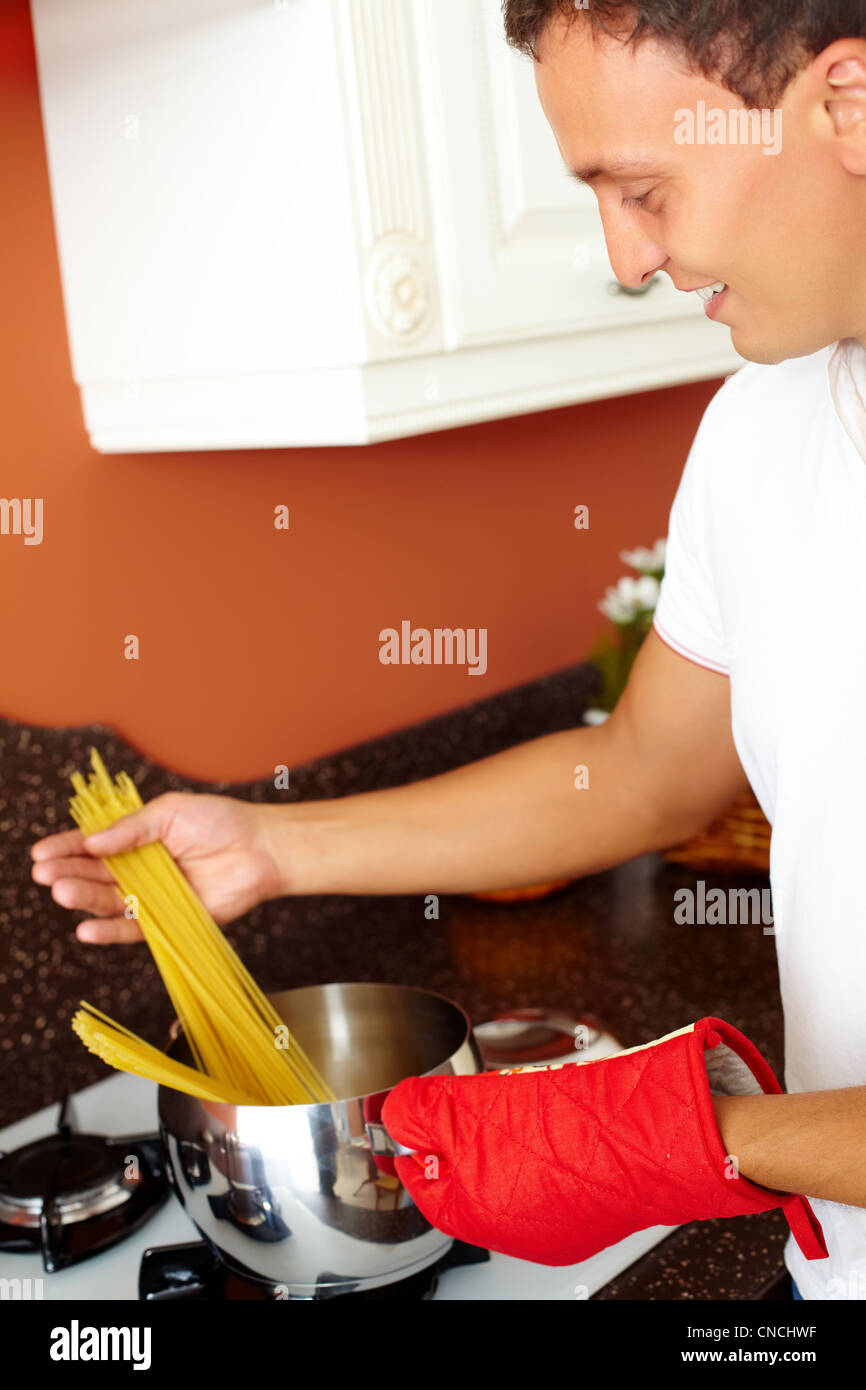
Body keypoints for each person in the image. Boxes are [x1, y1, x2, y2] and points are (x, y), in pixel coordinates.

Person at [31, 0, 866, 1301]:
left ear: (845, 104)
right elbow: (646, 769)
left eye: (641, 187)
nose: (623, 254)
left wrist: (685, 1140)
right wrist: (275, 845)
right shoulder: (760, 428)